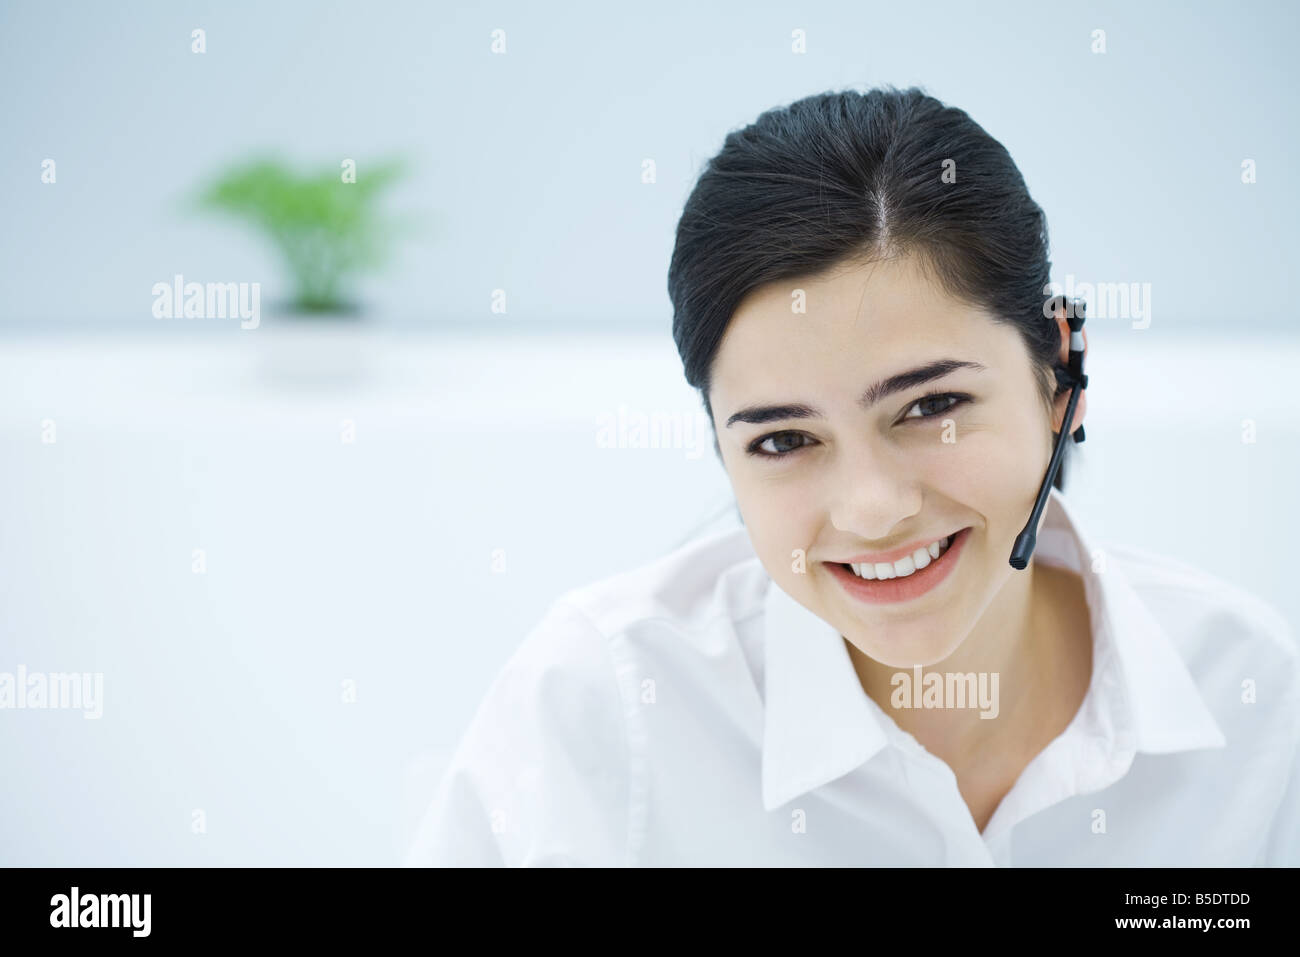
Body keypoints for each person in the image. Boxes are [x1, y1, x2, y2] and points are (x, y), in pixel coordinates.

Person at [405, 86, 1299, 866]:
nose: (873, 510)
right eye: (785, 441)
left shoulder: (1256, 702)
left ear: (1060, 367)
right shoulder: (601, 705)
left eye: (929, 406)